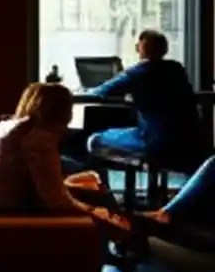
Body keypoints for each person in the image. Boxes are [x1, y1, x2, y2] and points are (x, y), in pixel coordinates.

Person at [0, 83, 126, 230]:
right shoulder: (38, 139)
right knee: (95, 200)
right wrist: (97, 214)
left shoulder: (11, 127)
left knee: (83, 179)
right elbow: (56, 201)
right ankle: (118, 246)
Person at [86, 30, 203, 170]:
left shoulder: (136, 73)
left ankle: (110, 185)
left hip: (154, 143)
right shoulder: (177, 69)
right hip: (190, 144)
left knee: (95, 141)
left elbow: (98, 93)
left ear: (140, 48)